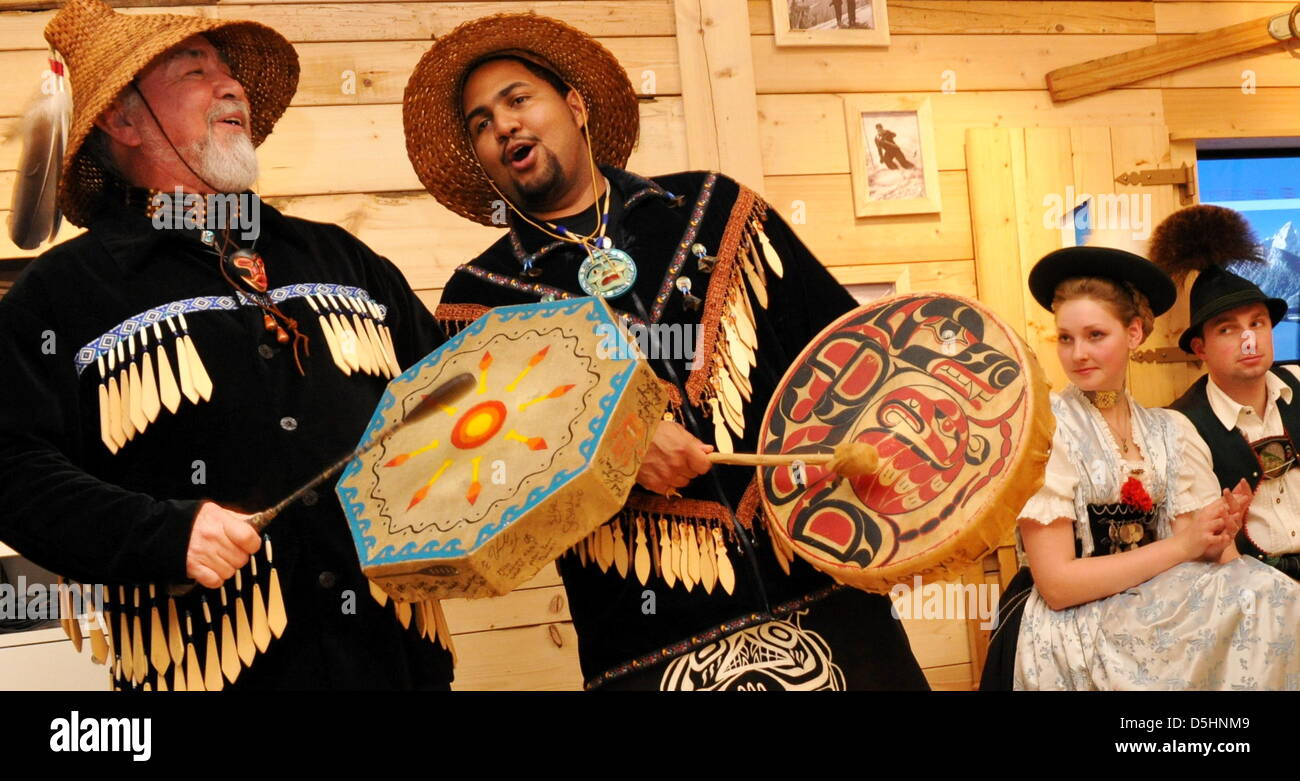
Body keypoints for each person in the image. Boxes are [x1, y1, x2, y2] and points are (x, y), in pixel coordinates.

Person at [403, 13, 928, 690]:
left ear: (575, 105)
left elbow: (846, 356)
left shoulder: (713, 206)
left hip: (832, 603)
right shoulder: (477, 303)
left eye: (517, 99)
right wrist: (609, 443)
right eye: (481, 123)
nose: (502, 126)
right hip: (645, 646)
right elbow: (479, 487)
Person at [0, 0, 451, 690]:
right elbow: (10, 467)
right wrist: (163, 531)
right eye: (195, 69)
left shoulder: (342, 259)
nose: (230, 84)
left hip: (394, 664)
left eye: (230, 72)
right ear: (124, 122)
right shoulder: (64, 294)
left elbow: (449, 394)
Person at [979, 246, 1300, 690]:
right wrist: (1183, 547)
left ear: (1133, 334)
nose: (1078, 354)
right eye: (1066, 338)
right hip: (1079, 620)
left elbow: (1201, 548)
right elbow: (1057, 586)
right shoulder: (1047, 433)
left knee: (1274, 595)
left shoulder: (1169, 429)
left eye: (1095, 335)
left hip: (1155, 601)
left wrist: (1216, 532)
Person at [1151, 205, 1300, 580]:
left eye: (1257, 323)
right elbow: (1214, 553)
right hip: (1254, 588)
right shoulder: (1182, 425)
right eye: (1227, 329)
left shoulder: (1298, 382)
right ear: (1200, 348)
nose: (1249, 339)